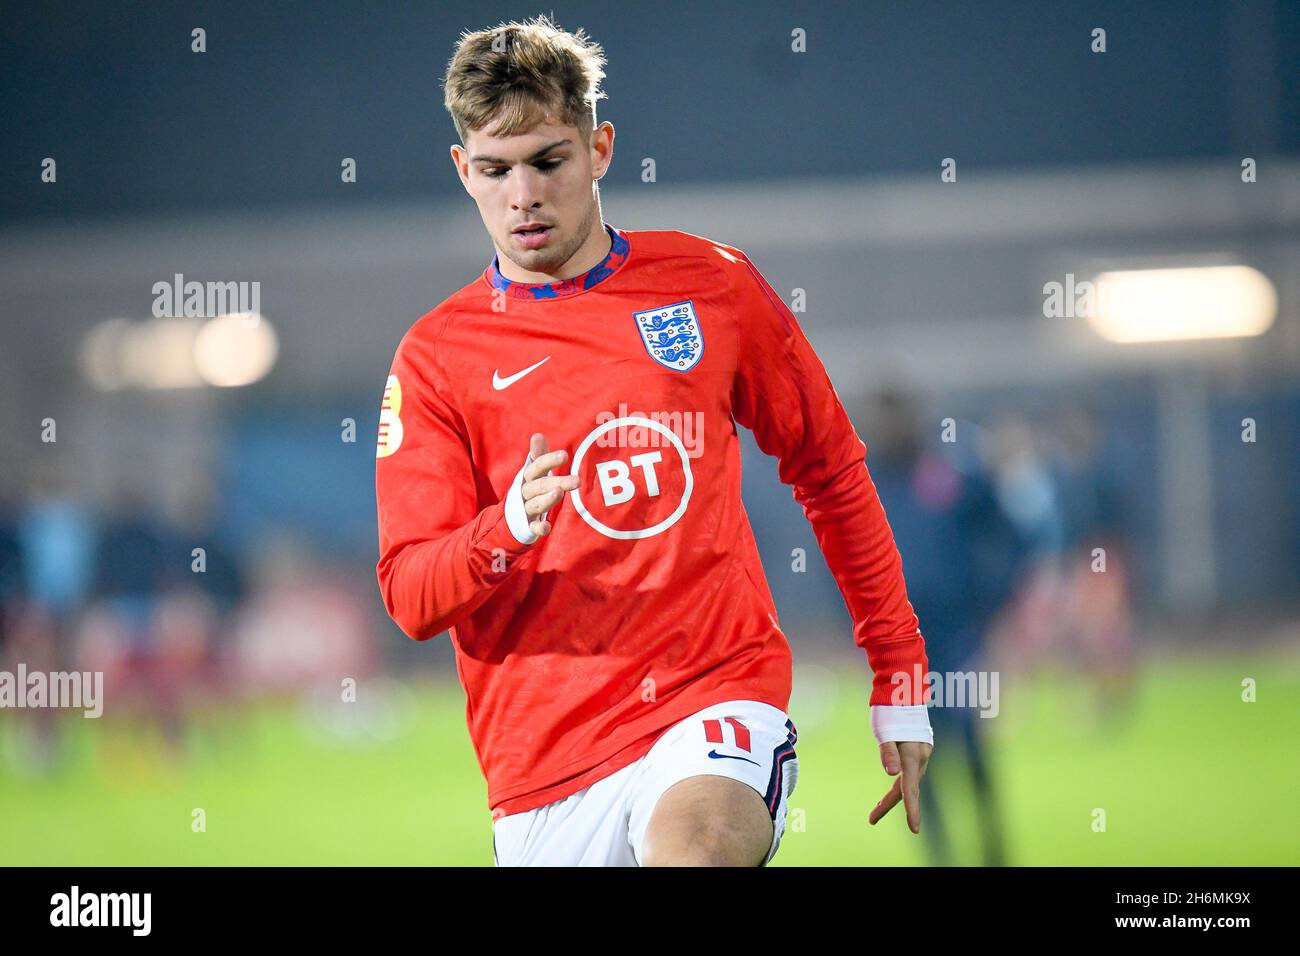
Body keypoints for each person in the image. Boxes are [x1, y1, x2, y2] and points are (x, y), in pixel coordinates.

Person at [374, 14, 933, 867]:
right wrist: (506, 531)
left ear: (599, 148)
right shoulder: (437, 357)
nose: (522, 195)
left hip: (713, 692)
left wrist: (898, 673)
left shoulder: (712, 285)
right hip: (545, 763)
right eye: (495, 170)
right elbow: (410, 596)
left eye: (547, 162)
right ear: (463, 170)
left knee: (699, 852)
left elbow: (830, 468)